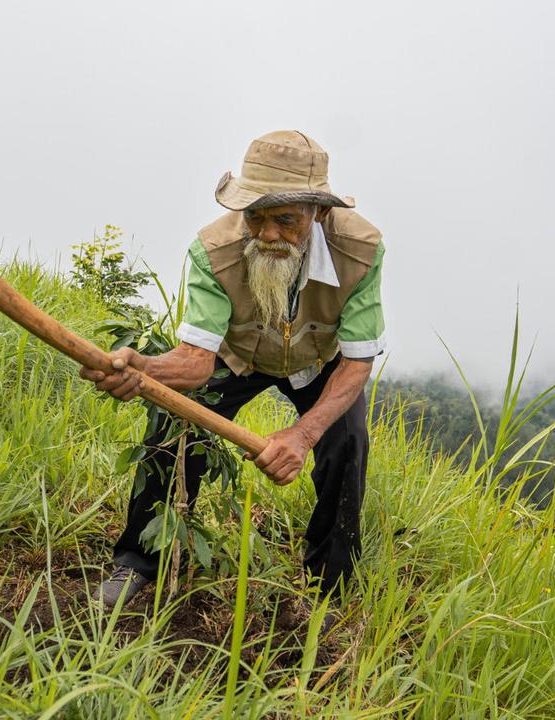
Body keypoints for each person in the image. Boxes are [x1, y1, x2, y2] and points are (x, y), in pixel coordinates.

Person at [80, 130, 386, 608]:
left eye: (285, 220)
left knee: (346, 442)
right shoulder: (214, 250)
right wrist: (143, 370)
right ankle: (139, 561)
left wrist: (302, 436)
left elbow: (357, 362)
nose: (266, 234)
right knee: (173, 423)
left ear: (320, 213)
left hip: (320, 359)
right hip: (239, 353)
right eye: (255, 217)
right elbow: (195, 361)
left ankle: (331, 584)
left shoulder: (361, 250)